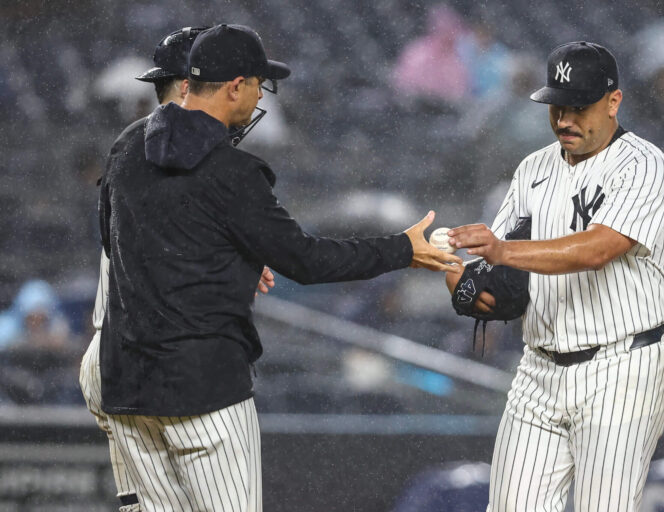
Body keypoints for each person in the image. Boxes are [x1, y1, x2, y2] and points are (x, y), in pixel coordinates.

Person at [97, 24, 461, 512]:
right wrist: (402, 249)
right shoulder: (233, 173)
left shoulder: (127, 145)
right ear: (235, 86)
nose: (259, 96)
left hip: (128, 387)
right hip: (204, 390)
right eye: (257, 84)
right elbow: (307, 261)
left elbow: (117, 241)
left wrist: (229, 260)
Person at [446, 42, 664, 511]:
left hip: (623, 366)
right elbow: (502, 270)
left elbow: (598, 249)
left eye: (579, 107)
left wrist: (502, 251)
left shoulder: (645, 165)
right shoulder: (532, 169)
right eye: (557, 106)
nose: (565, 119)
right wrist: (466, 282)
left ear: (613, 102)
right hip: (539, 369)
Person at [79, 26, 218, 512]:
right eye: (232, 81)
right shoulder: (164, 150)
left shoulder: (137, 148)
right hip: (143, 357)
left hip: (121, 353)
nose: (248, 93)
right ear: (189, 87)